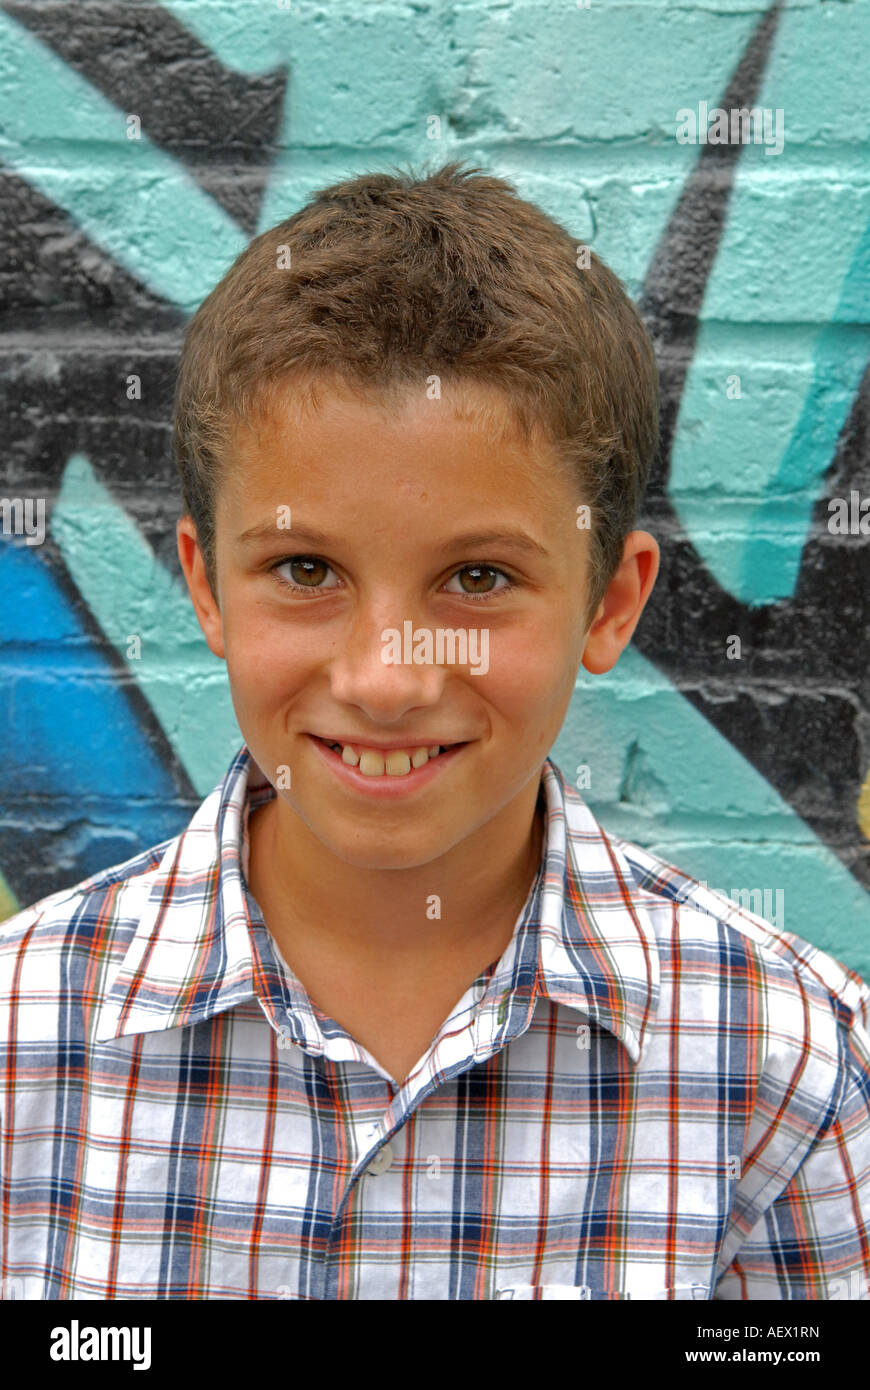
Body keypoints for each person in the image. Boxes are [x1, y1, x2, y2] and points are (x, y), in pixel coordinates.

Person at [1, 161, 868, 1301]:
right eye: (306, 569)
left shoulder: (789, 1070)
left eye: (476, 575)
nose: (386, 677)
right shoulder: (23, 1044)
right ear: (206, 588)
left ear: (610, 602)